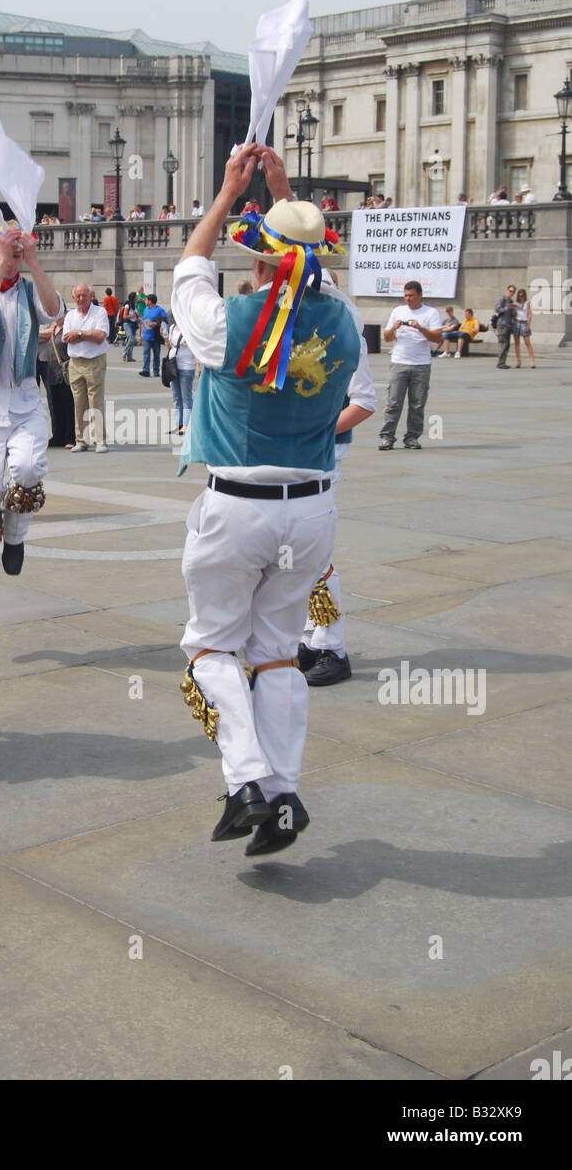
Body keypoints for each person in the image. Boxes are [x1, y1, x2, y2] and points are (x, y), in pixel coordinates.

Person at [172, 143, 360, 857]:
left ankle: (247, 781)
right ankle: (282, 794)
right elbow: (324, 281)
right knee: (279, 653)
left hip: (238, 504)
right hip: (311, 510)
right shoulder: (344, 323)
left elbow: (191, 263)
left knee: (211, 647)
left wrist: (227, 193)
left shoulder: (228, 323)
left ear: (256, 259)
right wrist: (285, 195)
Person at [0, 224, 64, 609]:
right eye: (3, 252)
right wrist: (1, 261)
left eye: (16, 253)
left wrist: (33, 258)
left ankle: (15, 538)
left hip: (24, 403)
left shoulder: (29, 290)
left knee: (29, 467)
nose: (12, 259)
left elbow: (53, 311)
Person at [299, 281, 376, 686]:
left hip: (323, 456)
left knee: (315, 555)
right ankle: (310, 636)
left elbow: (364, 402)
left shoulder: (347, 337)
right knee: (294, 554)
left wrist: (320, 433)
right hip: (288, 454)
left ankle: (333, 646)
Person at [378, 281, 442, 450]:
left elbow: (437, 338)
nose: (408, 299)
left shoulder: (430, 313)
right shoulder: (398, 311)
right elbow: (387, 337)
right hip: (399, 362)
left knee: (417, 403)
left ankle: (412, 437)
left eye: (411, 295)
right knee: (393, 402)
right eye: (405, 295)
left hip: (421, 364)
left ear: (420, 295)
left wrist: (420, 328)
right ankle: (387, 436)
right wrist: (394, 328)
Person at [62, 282, 109, 452]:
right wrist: (87, 334)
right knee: (78, 403)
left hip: (94, 361)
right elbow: (67, 337)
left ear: (91, 296)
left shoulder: (100, 312)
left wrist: (80, 333)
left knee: (95, 401)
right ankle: (81, 439)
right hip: (75, 363)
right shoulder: (70, 316)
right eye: (78, 296)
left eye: (84, 295)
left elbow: (100, 336)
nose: (81, 298)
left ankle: (99, 441)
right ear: (74, 298)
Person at [38, 313, 76, 446]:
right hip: (49, 368)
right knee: (54, 402)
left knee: (66, 403)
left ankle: (70, 436)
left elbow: (43, 335)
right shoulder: (53, 328)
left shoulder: (66, 327)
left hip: (60, 368)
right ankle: (58, 434)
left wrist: (35, 335)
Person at [166, 313, 195, 434]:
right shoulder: (172, 328)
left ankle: (187, 425)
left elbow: (195, 347)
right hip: (174, 366)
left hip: (186, 366)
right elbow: (169, 345)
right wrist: (165, 338)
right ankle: (178, 423)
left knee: (186, 396)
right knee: (177, 397)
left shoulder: (190, 328)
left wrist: (198, 364)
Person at [139, 293, 168, 377]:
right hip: (146, 335)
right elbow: (143, 322)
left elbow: (166, 319)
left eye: (146, 299)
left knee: (156, 354)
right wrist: (141, 334)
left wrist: (156, 323)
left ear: (150, 301)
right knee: (146, 353)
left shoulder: (159, 310)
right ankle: (146, 370)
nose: (145, 301)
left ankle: (156, 370)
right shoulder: (145, 309)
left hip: (155, 336)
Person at [493, 283, 517, 369]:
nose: (511, 293)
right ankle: (500, 363)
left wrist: (514, 310)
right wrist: (507, 308)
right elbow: (497, 309)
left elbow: (513, 314)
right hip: (502, 324)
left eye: (513, 292)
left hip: (508, 324)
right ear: (507, 290)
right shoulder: (502, 299)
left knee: (507, 344)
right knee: (503, 343)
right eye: (510, 291)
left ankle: (503, 362)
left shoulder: (511, 302)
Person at [513, 288, 535, 368]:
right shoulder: (515, 303)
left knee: (527, 343)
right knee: (516, 343)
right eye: (519, 296)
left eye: (522, 296)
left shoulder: (527, 302)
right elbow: (513, 313)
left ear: (524, 296)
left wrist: (528, 325)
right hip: (516, 322)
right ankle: (518, 361)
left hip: (524, 323)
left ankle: (532, 361)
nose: (520, 297)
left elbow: (529, 314)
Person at [120, 292, 139, 362]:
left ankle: (130, 357)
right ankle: (124, 353)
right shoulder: (127, 305)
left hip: (134, 324)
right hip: (127, 324)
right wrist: (132, 316)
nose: (137, 298)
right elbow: (124, 316)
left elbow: (136, 314)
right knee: (131, 339)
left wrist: (137, 316)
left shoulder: (135, 305)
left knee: (131, 341)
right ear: (133, 298)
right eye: (136, 297)